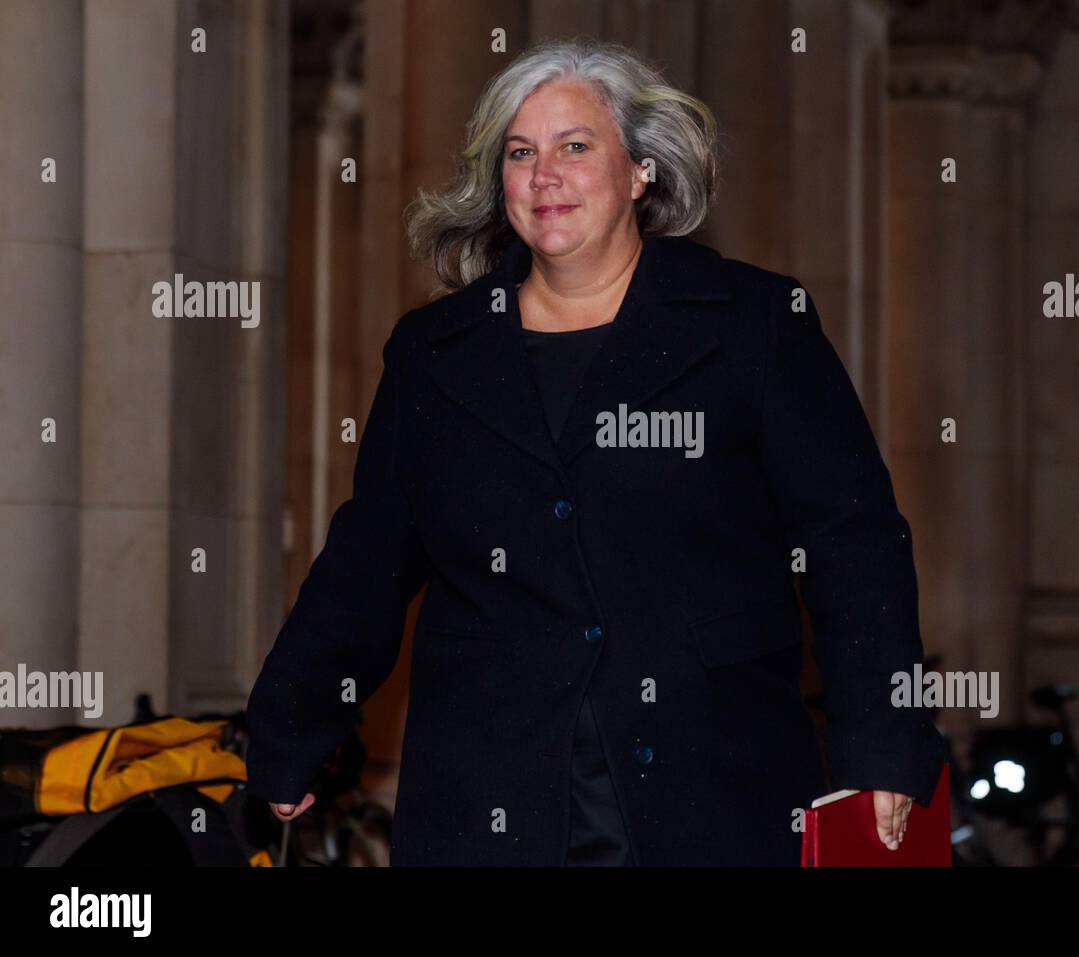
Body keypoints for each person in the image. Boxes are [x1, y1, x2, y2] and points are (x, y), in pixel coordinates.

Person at [244, 37, 944, 866]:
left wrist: (881, 742)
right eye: (520, 152)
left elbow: (850, 537)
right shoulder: (435, 354)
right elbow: (369, 559)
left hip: (710, 785)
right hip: (489, 793)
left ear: (641, 169)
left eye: (575, 146)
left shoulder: (752, 325)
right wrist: (291, 720)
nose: (546, 175)